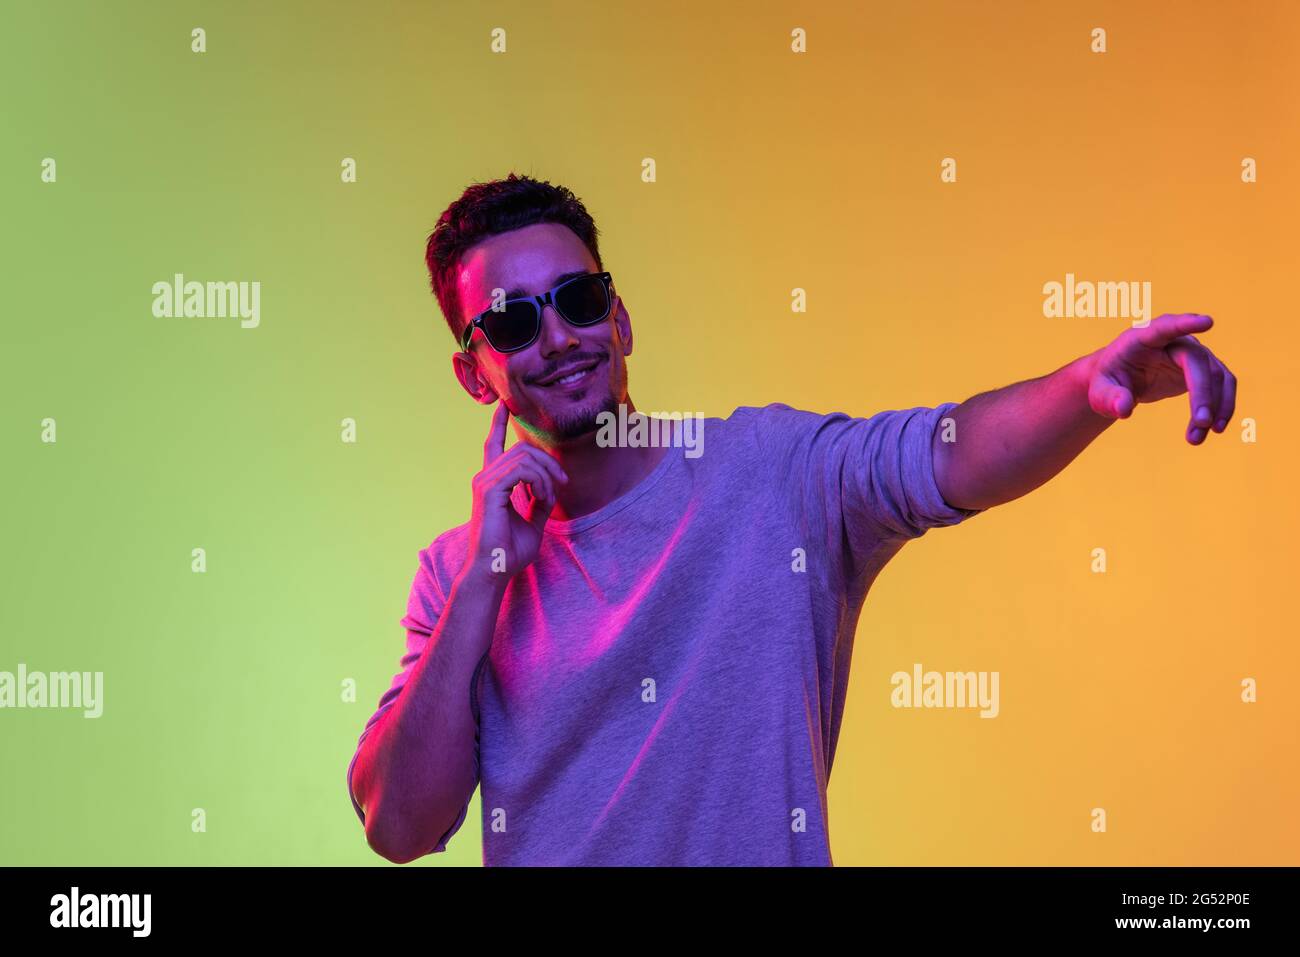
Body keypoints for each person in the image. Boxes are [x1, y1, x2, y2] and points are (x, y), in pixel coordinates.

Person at [346, 173, 1238, 866]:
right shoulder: (457, 574)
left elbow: (950, 451)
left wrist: (1087, 385)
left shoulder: (772, 474)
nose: (557, 338)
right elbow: (400, 825)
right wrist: (485, 581)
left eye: (578, 301)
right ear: (474, 373)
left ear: (620, 319)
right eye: (512, 322)